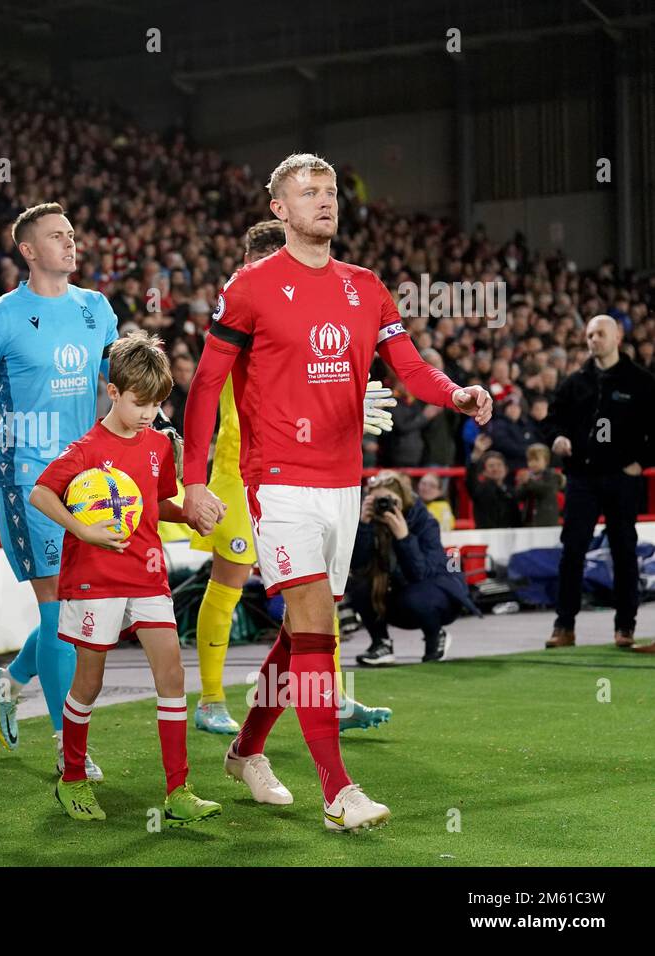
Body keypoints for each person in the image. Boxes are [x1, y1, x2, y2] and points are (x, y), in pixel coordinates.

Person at [182, 153, 492, 832]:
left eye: (330, 191)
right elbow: (205, 385)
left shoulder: (365, 286)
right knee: (318, 628)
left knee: (299, 632)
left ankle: (245, 752)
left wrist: (456, 394)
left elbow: (409, 366)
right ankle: (338, 791)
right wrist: (195, 480)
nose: (325, 201)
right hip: (277, 482)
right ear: (279, 209)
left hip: (341, 483)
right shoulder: (250, 288)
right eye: (308, 192)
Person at [0, 203, 120, 780]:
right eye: (57, 236)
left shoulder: (96, 307)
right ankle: (68, 745)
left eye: (72, 233)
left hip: (89, 477)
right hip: (30, 477)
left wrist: (154, 428)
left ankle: (8, 680)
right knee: (59, 605)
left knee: (80, 608)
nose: (70, 242)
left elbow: (118, 383)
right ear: (29, 251)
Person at [187, 221, 393, 739]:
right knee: (229, 581)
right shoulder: (241, 310)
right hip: (241, 472)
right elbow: (209, 389)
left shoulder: (302, 313)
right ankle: (210, 700)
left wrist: (349, 398)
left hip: (298, 472)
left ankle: (332, 698)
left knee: (317, 591)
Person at [32, 331, 222, 825]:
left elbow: (154, 503)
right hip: (95, 578)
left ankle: (178, 790)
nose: (149, 415)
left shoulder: (159, 444)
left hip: (148, 575)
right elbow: (41, 493)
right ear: (113, 391)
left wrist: (191, 514)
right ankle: (73, 778)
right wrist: (82, 530)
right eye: (140, 403)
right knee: (90, 682)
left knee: (173, 674)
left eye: (158, 405)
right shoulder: (85, 449)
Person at [543, 315, 655, 651]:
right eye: (590, 334)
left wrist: (641, 462)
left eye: (600, 334)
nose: (594, 339)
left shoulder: (641, 381)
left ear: (617, 337)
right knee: (572, 551)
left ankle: (625, 627)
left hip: (622, 478)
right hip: (582, 478)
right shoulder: (575, 382)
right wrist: (558, 438)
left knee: (624, 551)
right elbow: (552, 420)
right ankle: (564, 626)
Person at [349, 471, 479, 665]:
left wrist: (404, 537)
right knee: (357, 582)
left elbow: (420, 573)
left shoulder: (425, 522)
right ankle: (381, 643)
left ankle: (435, 636)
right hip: (398, 595)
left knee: (415, 598)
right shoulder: (369, 522)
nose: (384, 506)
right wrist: (364, 526)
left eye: (389, 500)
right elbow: (357, 564)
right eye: (377, 501)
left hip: (436, 594)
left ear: (403, 499)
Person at [467, 436, 520, 528]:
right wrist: (476, 455)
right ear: (484, 472)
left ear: (506, 469)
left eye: (499, 465)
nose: (495, 469)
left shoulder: (511, 491)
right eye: (491, 466)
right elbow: (471, 480)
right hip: (486, 535)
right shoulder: (481, 490)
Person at [516, 443, 564, 527]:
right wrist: (523, 484)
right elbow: (519, 496)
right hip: (528, 522)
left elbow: (545, 490)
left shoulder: (553, 476)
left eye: (536, 460)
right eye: (530, 460)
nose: (533, 463)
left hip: (546, 521)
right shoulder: (528, 477)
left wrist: (528, 481)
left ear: (546, 461)